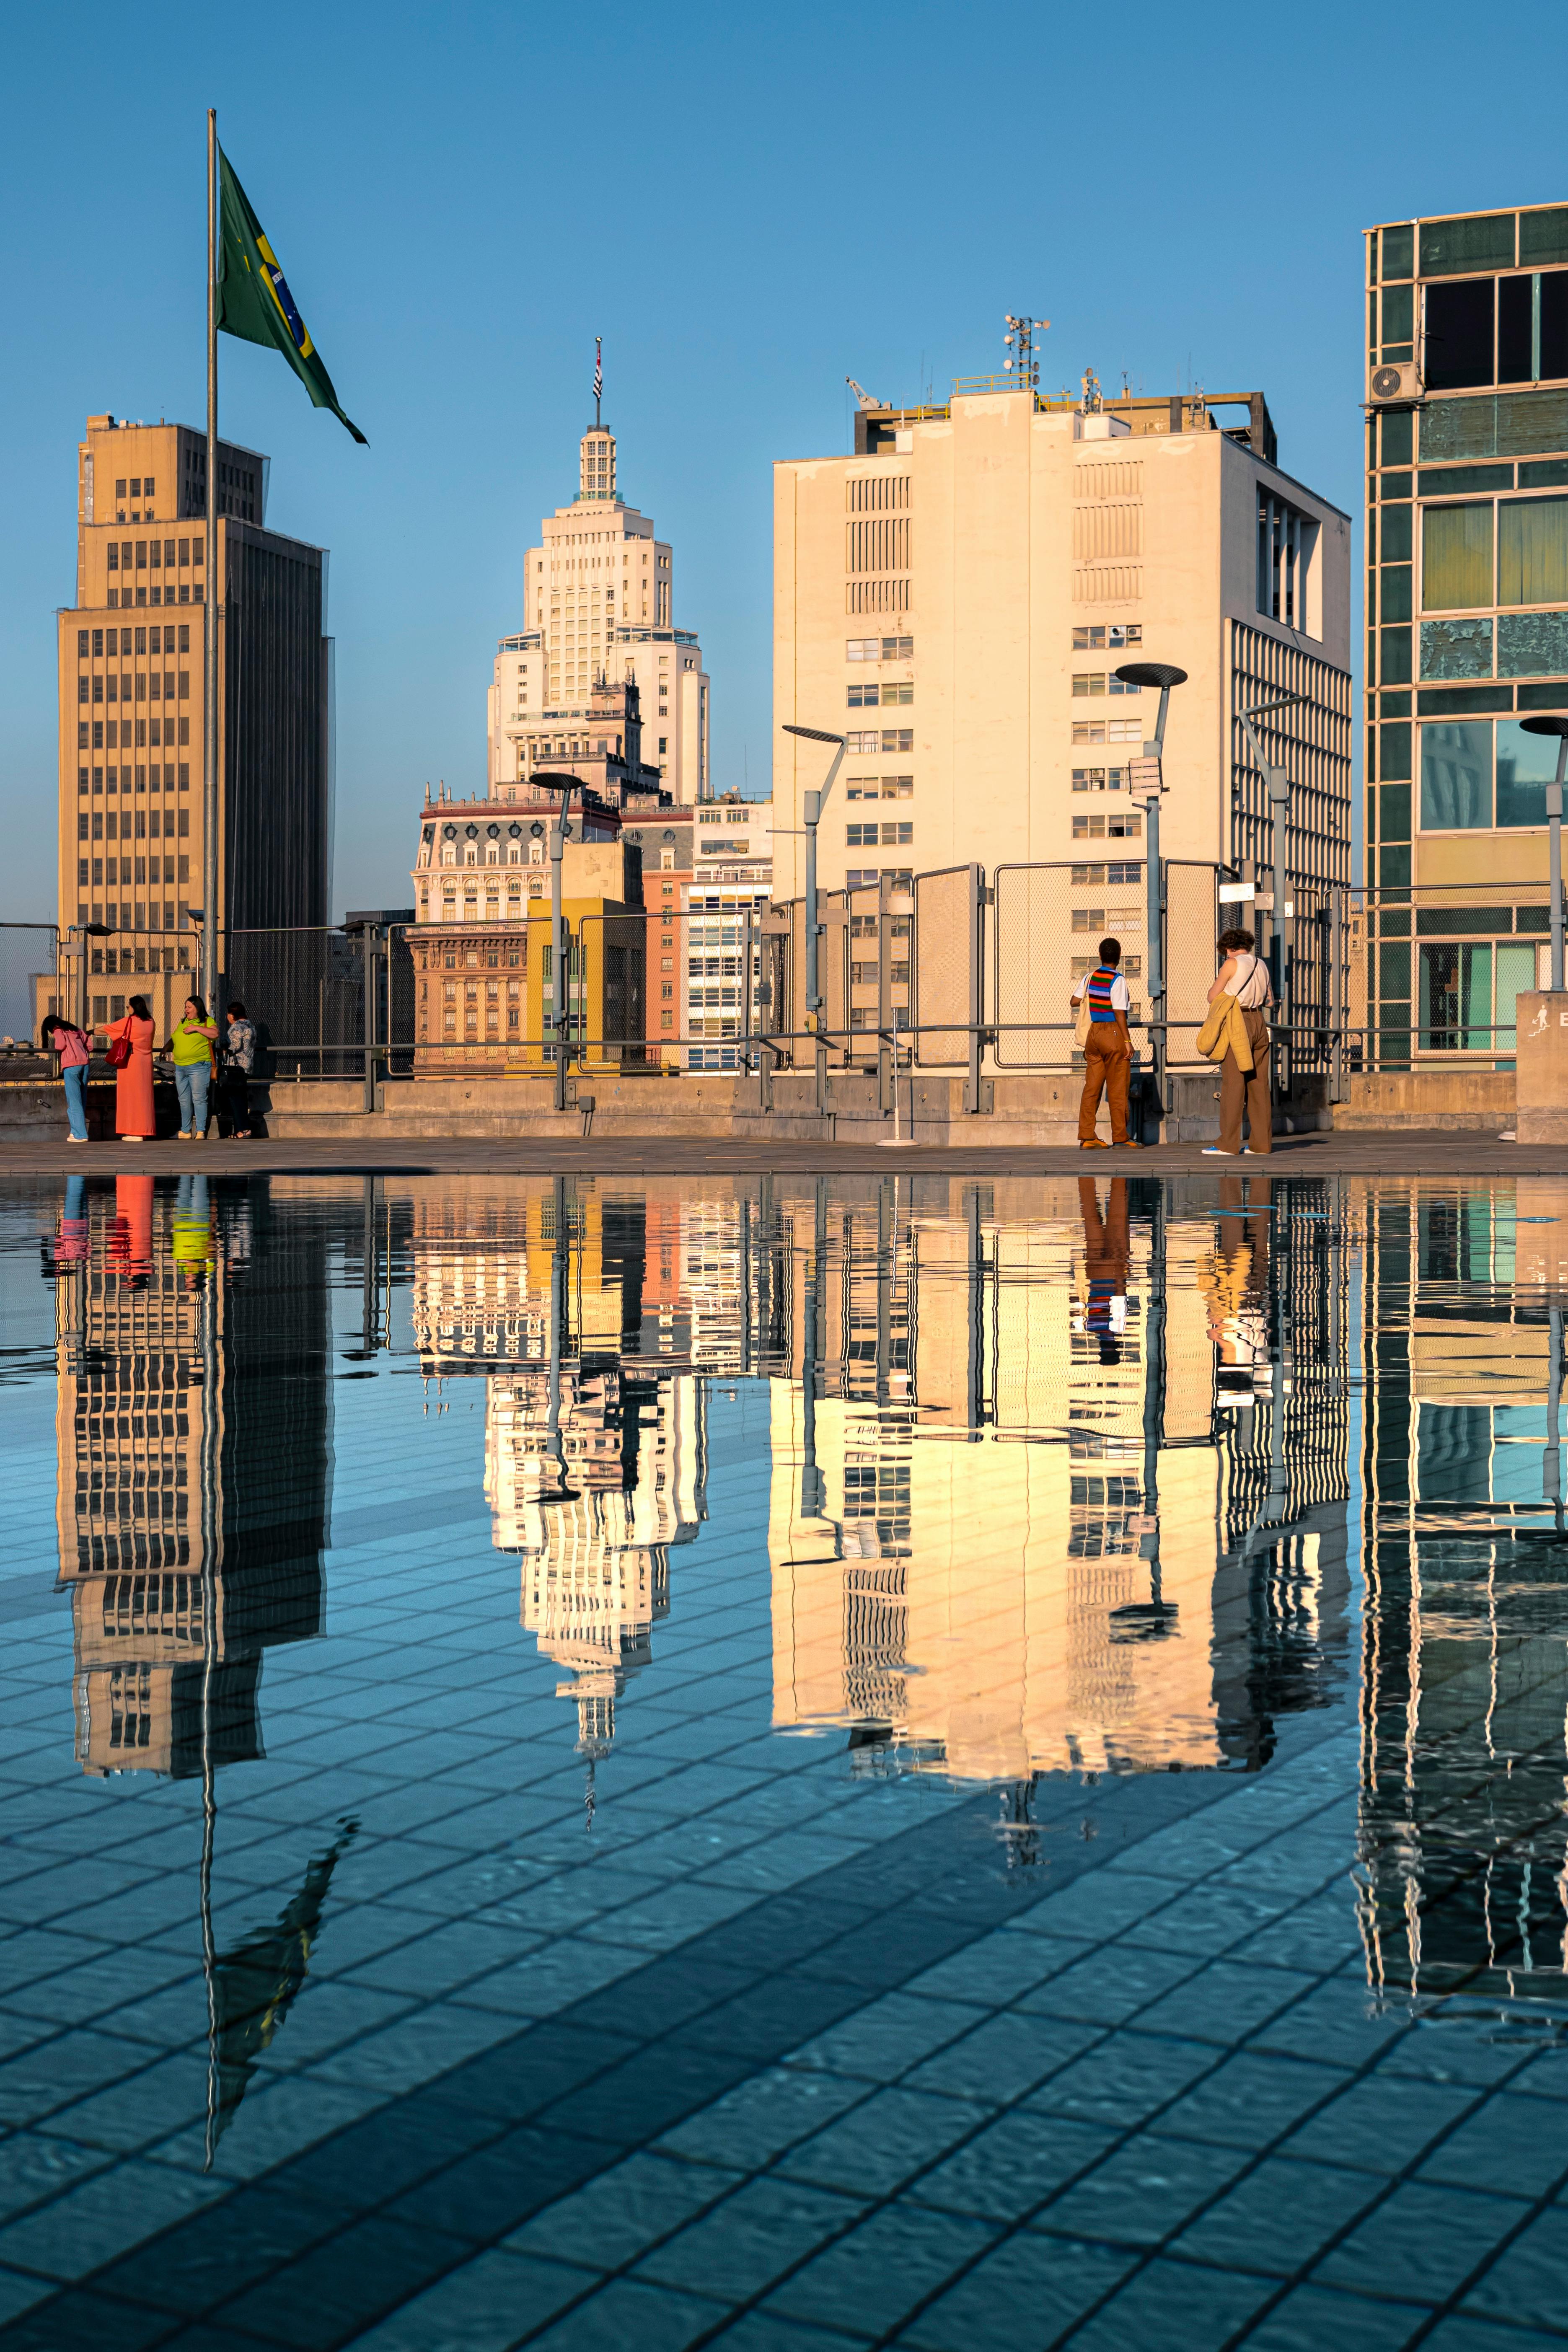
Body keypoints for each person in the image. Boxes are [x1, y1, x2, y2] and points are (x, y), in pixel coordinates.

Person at [1203, 927, 1273, 1159]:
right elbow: (1270, 1001)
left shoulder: (1231, 964)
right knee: (1259, 1085)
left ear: (1228, 948)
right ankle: (1261, 1145)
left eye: (1225, 951)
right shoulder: (1261, 965)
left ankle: (1228, 1145)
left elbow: (1212, 996)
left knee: (1234, 1084)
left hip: (1238, 1022)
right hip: (1259, 1022)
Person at [1071, 935, 1139, 1149]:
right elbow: (1119, 1012)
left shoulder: (1090, 977)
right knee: (1118, 1088)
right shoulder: (1117, 980)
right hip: (1112, 1033)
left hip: (1093, 1034)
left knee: (1091, 1088)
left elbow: (1074, 1001)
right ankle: (1120, 1137)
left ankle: (1087, 1136)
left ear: (1100, 956)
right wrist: (1127, 1041)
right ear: (1119, 957)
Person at [105, 994, 156, 1141]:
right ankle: (145, 1130)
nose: (127, 1008)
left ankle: (135, 1131)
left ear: (133, 1007)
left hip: (131, 1062)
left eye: (128, 1006)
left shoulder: (130, 1021)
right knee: (144, 1097)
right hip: (146, 1062)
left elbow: (107, 1029)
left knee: (130, 1097)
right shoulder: (151, 1022)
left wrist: (89, 1032)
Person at [168, 994, 219, 1140]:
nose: (187, 1010)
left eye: (190, 1007)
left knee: (199, 1099)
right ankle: (186, 1130)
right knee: (184, 1100)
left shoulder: (207, 1021)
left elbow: (215, 1034)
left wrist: (196, 1028)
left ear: (198, 1008)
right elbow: (176, 1038)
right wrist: (167, 1048)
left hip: (199, 1066)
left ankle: (201, 1130)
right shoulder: (183, 1022)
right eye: (186, 1007)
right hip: (180, 1067)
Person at [41, 1014, 91, 1143]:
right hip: (85, 1064)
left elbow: (60, 1046)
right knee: (81, 1099)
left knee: (74, 1101)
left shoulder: (58, 1030)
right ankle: (75, 1132)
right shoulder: (76, 1029)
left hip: (71, 1066)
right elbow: (90, 1047)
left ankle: (81, 1134)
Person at [222, 1001, 256, 1139]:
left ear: (232, 1015)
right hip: (246, 1066)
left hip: (235, 1068)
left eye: (228, 1014)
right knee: (241, 1098)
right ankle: (241, 1130)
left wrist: (224, 1046)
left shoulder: (237, 1028)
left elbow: (234, 1046)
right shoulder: (250, 1026)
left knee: (236, 1100)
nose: (227, 1017)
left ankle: (243, 1129)